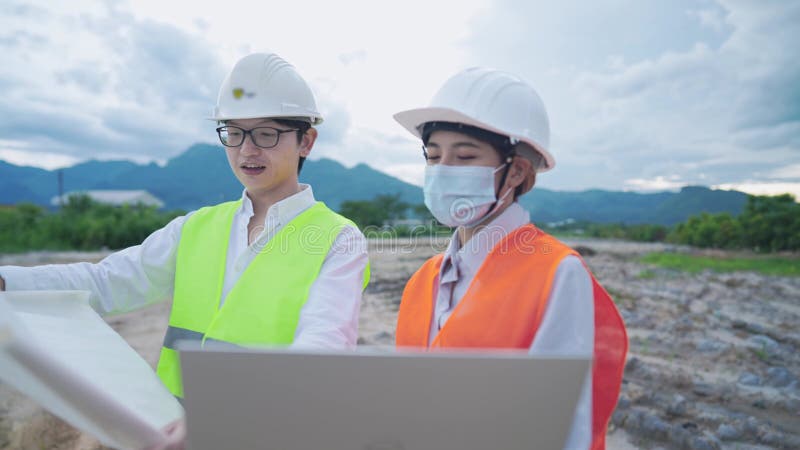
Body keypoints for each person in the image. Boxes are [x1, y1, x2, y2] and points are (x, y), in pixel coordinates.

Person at [0, 52, 370, 402]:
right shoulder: (195, 227)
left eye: (266, 134)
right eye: (234, 132)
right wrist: (8, 282)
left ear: (306, 141)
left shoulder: (338, 239)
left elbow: (323, 347)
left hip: (266, 431)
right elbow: (105, 282)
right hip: (174, 430)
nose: (246, 150)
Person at [392, 67, 627, 450]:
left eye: (464, 156)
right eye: (433, 157)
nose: (443, 170)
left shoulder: (557, 272)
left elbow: (566, 428)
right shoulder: (423, 279)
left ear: (516, 171)